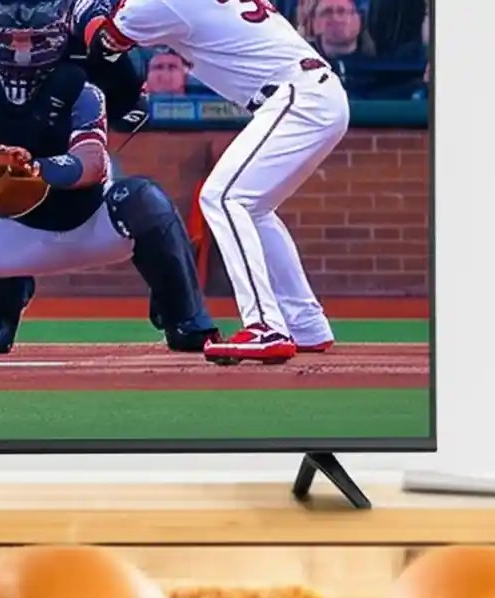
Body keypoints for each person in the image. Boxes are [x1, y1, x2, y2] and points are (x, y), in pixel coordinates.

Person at [0, 0, 212, 355]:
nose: (21, 54)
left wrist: (33, 169)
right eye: (11, 42)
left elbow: (97, 157)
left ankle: (184, 316)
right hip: (8, 219)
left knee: (147, 201)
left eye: (35, 40)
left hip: (83, 212)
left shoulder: (82, 83)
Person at [97, 0, 347, 364]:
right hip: (315, 95)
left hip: (297, 96)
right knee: (254, 208)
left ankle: (266, 326)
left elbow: (106, 41)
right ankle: (306, 322)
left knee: (223, 198)